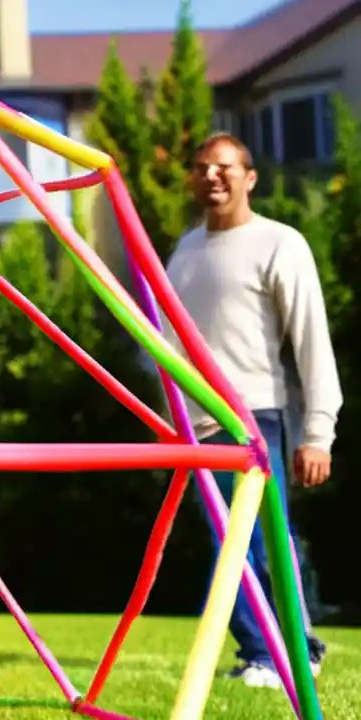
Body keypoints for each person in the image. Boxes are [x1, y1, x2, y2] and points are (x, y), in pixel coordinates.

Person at [165, 132, 341, 688]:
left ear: (249, 177)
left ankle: (266, 655)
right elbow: (170, 343)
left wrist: (318, 432)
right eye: (200, 168)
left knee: (244, 544)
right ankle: (295, 646)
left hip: (253, 419)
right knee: (252, 545)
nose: (211, 176)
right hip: (192, 428)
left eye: (223, 167)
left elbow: (311, 339)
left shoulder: (278, 243)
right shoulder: (186, 251)